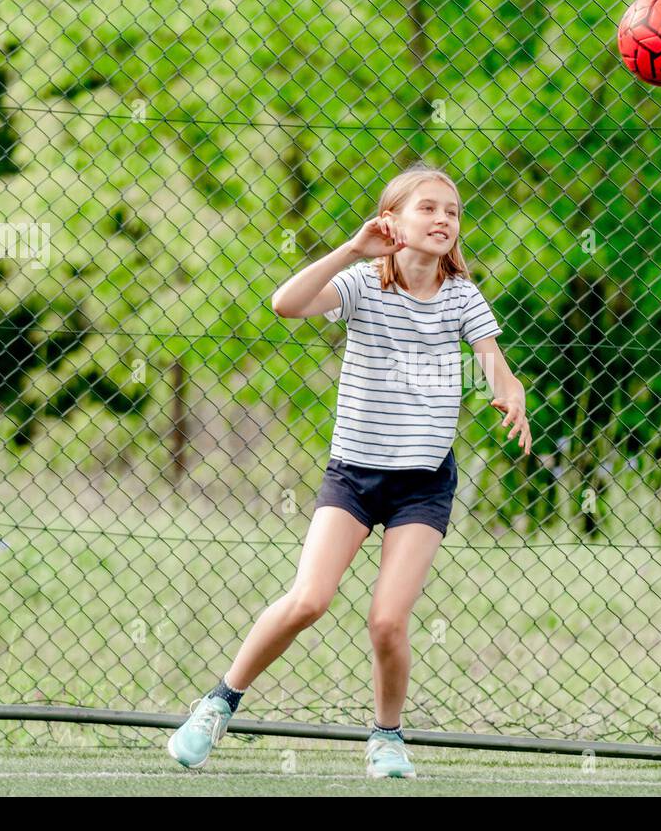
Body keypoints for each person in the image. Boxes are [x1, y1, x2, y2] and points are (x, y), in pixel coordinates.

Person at [168, 161, 531, 778]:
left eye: (452, 211)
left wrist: (510, 389)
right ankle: (218, 702)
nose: (443, 219)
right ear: (392, 219)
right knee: (309, 600)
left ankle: (386, 738)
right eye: (429, 208)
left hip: (422, 482)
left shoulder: (461, 296)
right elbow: (286, 304)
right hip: (354, 476)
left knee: (388, 620)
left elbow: (491, 359)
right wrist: (350, 248)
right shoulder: (363, 283)